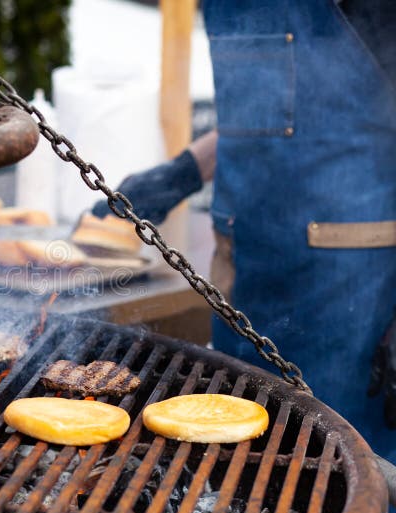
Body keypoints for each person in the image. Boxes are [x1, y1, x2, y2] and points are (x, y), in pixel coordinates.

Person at [93, 0, 396, 474]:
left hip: (349, 298)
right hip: (243, 281)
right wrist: (183, 173)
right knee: (239, 476)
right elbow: (274, 113)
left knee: (339, 479)